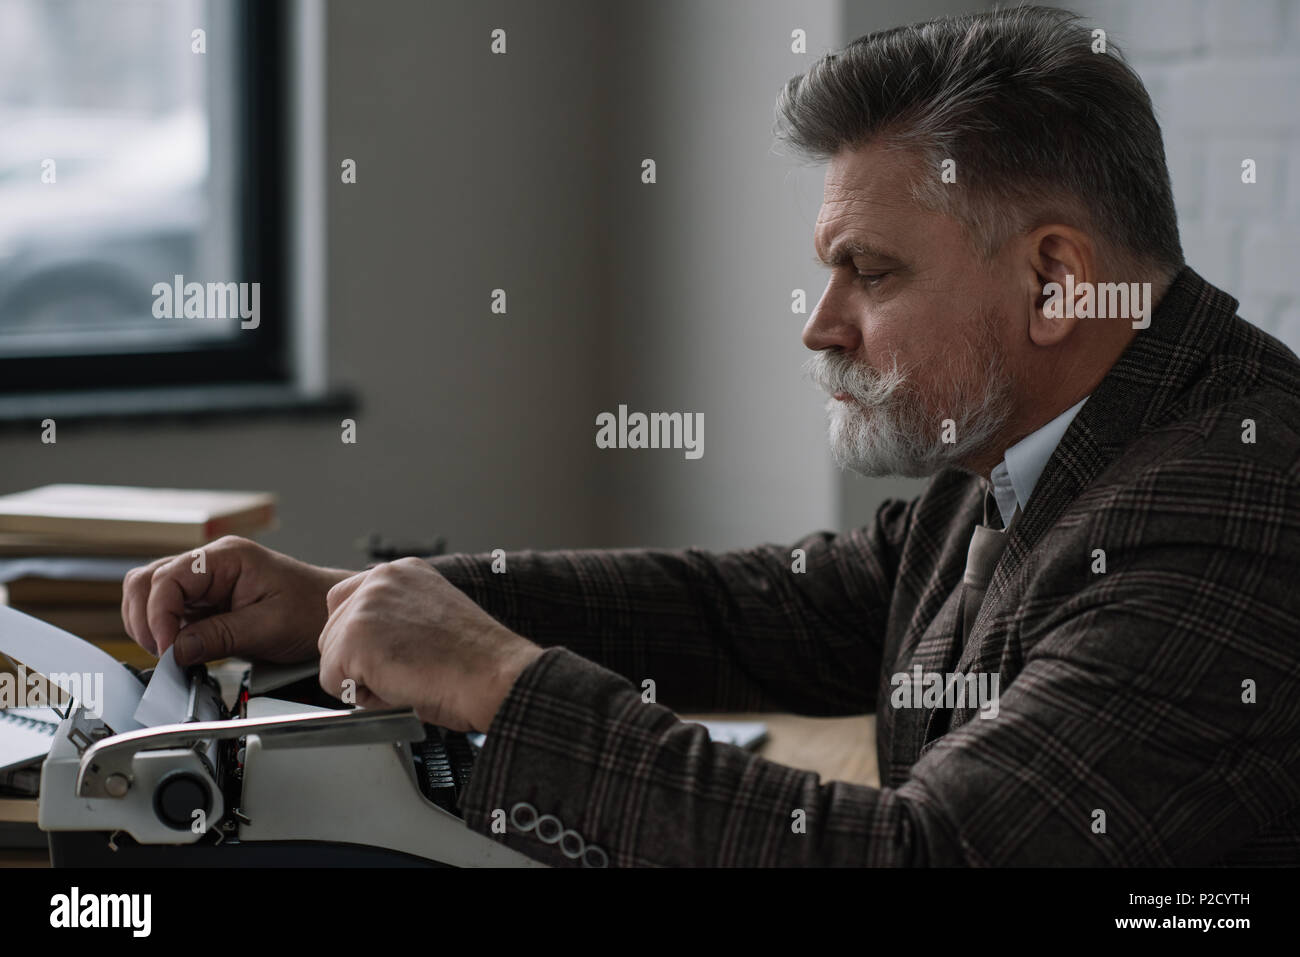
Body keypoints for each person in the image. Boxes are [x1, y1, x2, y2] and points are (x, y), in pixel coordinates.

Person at [121, 6, 1300, 866]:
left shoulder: (1217, 519)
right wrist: (356, 599)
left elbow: (929, 861)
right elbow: (775, 609)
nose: (819, 327)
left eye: (868, 273)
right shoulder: (1046, 441)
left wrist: (502, 684)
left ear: (1054, 282)